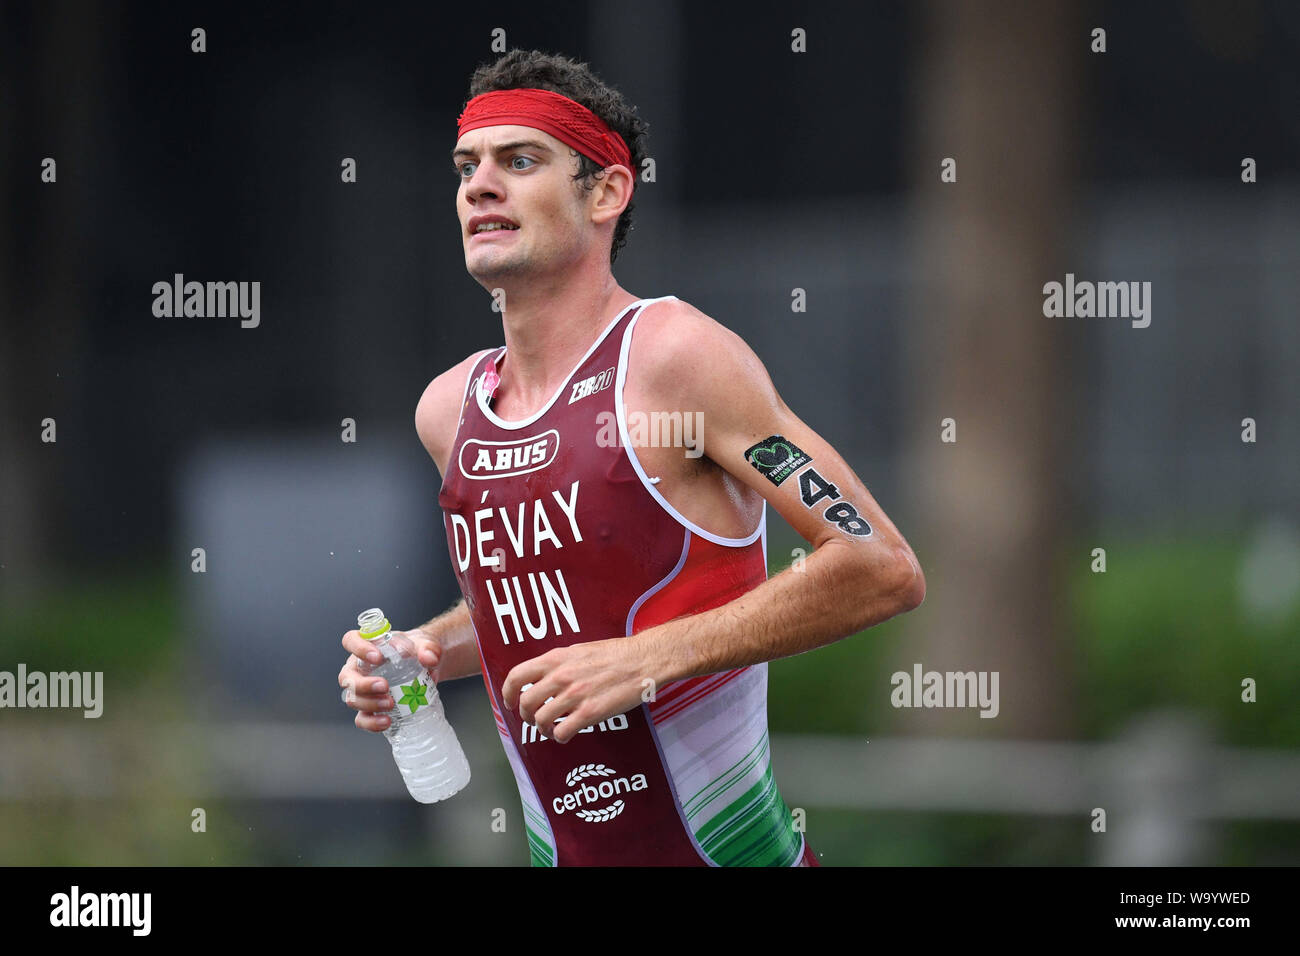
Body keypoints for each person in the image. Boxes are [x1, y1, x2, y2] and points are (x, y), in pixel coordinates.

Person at [339, 48, 925, 866]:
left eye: (521, 161)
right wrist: (427, 652)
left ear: (608, 190)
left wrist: (648, 659)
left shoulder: (673, 359)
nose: (479, 185)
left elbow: (881, 566)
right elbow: (554, 610)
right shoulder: (449, 410)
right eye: (467, 165)